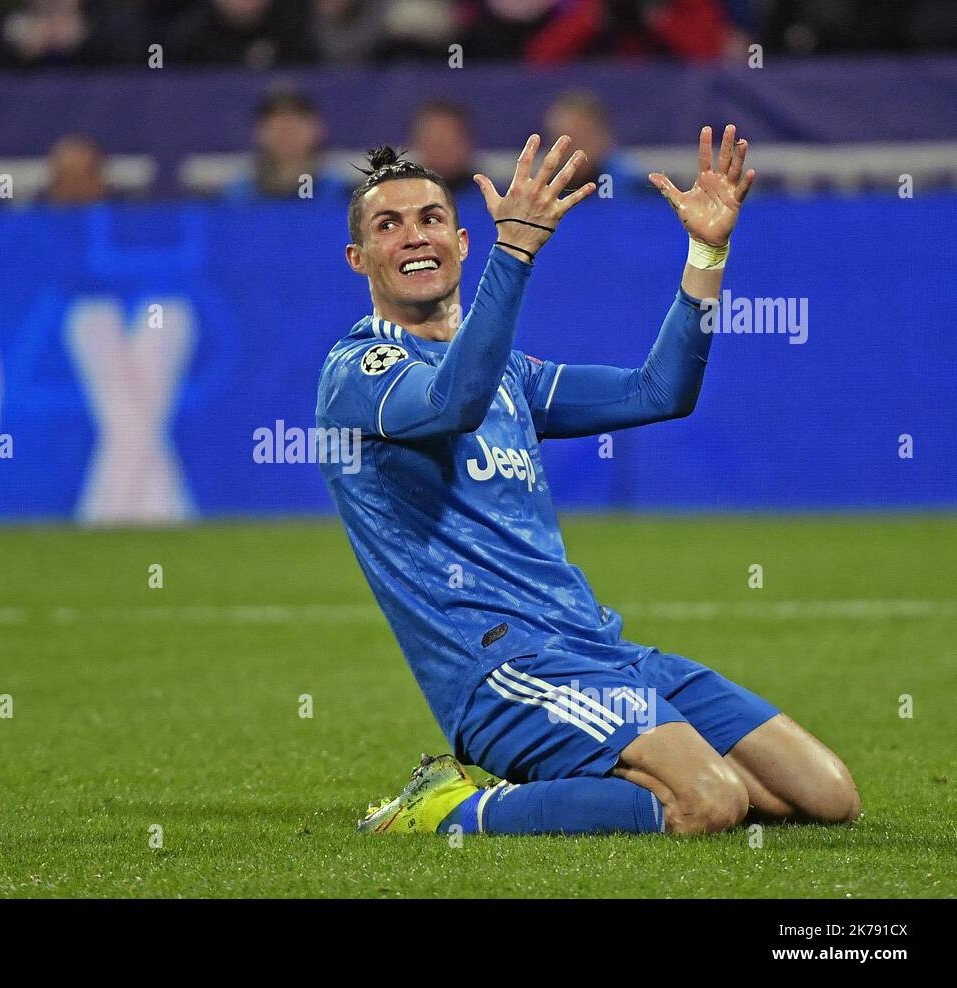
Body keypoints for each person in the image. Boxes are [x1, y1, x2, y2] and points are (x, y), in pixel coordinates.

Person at [316, 127, 861, 836]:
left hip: (602, 651)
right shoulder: (357, 373)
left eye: (431, 219)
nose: (414, 236)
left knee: (827, 797)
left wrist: (707, 252)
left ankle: (623, 771)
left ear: (461, 242)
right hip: (504, 672)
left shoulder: (511, 376)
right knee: (708, 802)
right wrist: (516, 255)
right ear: (360, 259)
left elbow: (658, 391)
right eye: (389, 225)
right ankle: (450, 810)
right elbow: (452, 403)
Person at [225, 88, 348, 202]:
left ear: (319, 129)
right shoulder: (240, 193)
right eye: (276, 126)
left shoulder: (341, 191)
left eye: (295, 124)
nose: (286, 133)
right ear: (258, 132)